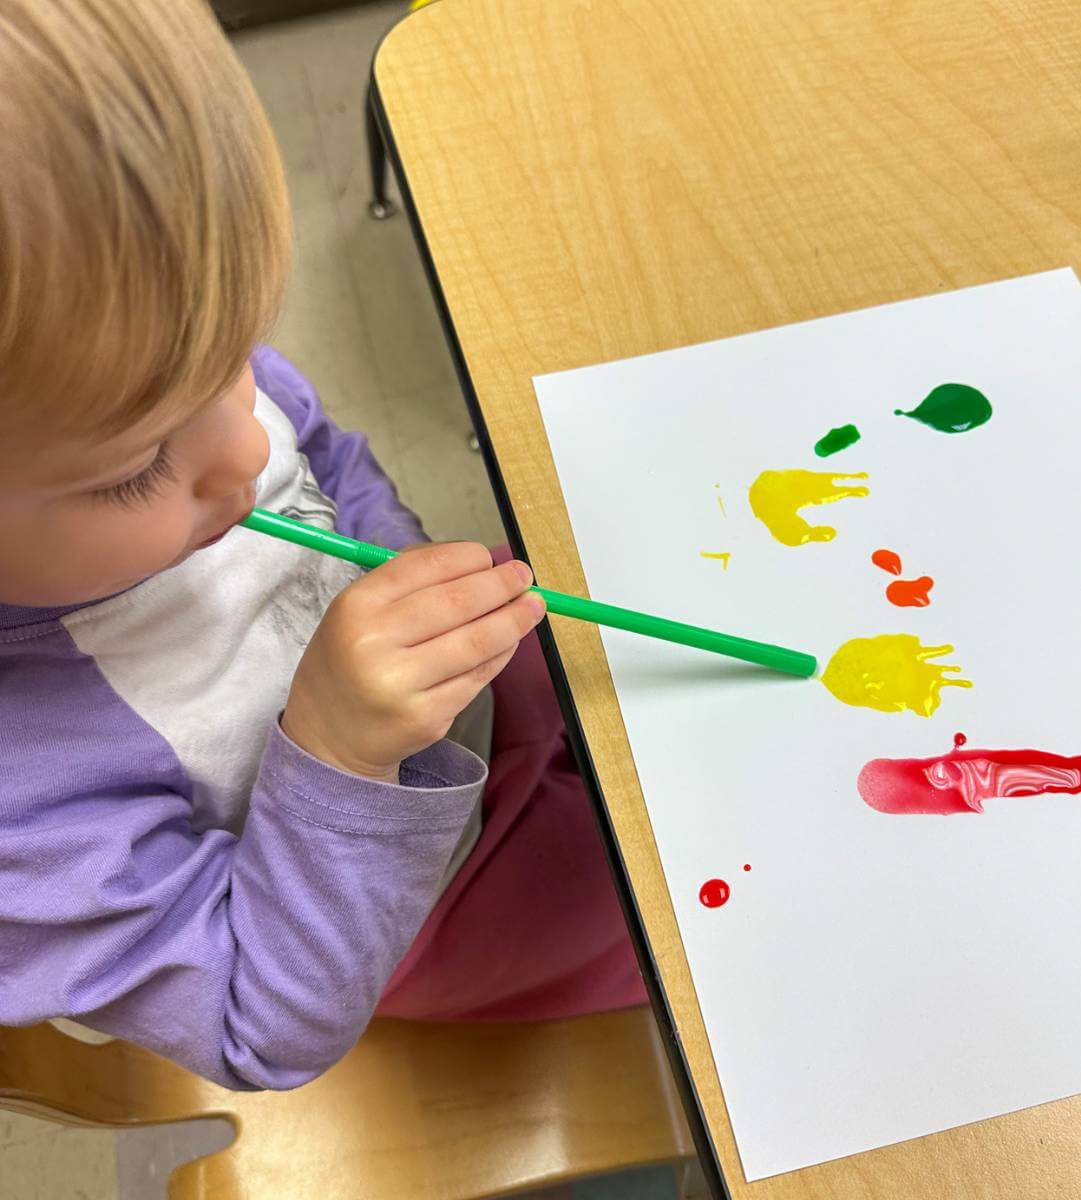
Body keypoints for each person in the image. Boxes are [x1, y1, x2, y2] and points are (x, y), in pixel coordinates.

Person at [0, 0, 644, 1091]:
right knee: (687, 918)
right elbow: (263, 1027)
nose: (245, 447)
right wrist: (342, 751)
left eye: (237, 356)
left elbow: (326, 461)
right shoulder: (27, 809)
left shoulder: (155, 361)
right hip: (418, 900)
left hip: (471, 695)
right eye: (133, 469)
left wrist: (402, 581)